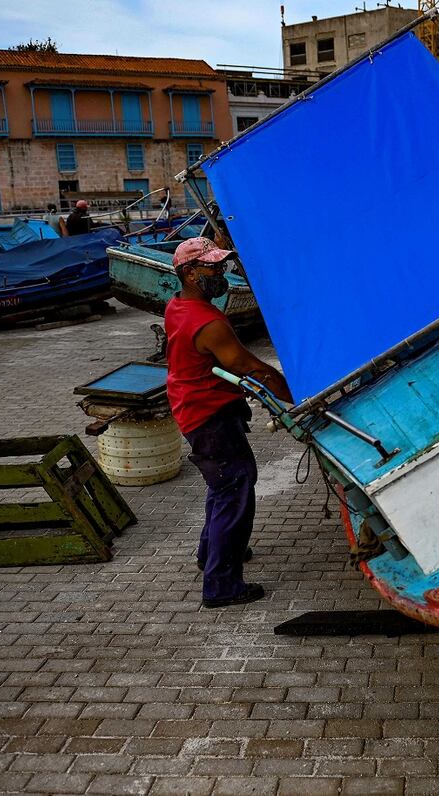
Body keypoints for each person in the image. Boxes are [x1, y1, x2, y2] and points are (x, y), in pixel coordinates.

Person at [165, 236, 292, 609]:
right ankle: (221, 585)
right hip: (209, 415)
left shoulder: (178, 306)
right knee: (234, 487)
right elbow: (249, 366)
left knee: (222, 483)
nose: (221, 273)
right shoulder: (208, 322)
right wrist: (295, 396)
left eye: (222, 266)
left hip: (193, 406)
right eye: (213, 267)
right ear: (189, 273)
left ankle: (211, 553)